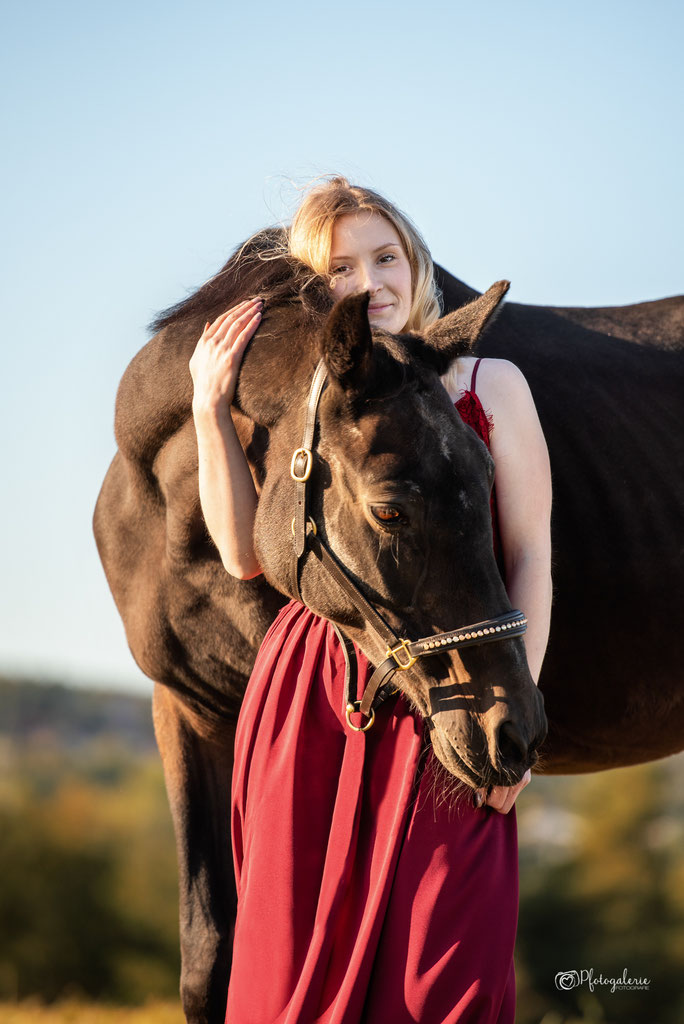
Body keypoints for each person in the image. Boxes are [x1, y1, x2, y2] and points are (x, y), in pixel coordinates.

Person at [189, 177, 552, 1023]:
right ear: (318, 291)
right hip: (311, 702)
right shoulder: (293, 404)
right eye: (343, 267)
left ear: (416, 261)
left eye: (386, 256)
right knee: (293, 985)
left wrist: (518, 714)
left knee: (443, 982)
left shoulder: (488, 383)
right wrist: (212, 409)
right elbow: (244, 555)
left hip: (453, 688)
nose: (372, 282)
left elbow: (531, 554)